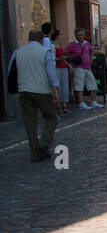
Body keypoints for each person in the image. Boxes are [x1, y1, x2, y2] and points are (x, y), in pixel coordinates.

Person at [14, 30, 59, 162]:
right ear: (40, 40)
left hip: (24, 90)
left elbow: (13, 70)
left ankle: (34, 152)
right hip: (41, 90)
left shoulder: (18, 52)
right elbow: (51, 73)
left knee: (30, 122)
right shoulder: (45, 52)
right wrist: (55, 89)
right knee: (51, 116)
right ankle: (44, 145)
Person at [65, 28, 101, 109]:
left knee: (92, 84)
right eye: (78, 35)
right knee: (79, 85)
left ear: (84, 35)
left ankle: (93, 101)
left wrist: (91, 58)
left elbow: (92, 50)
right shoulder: (72, 44)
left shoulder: (87, 43)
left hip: (87, 67)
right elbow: (65, 52)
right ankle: (81, 102)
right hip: (78, 67)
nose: (79, 37)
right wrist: (71, 57)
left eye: (81, 35)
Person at [52, 28, 71, 114]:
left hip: (63, 66)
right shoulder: (53, 45)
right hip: (57, 67)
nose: (62, 36)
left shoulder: (61, 44)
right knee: (58, 86)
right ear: (57, 36)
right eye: (61, 34)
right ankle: (58, 105)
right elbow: (52, 58)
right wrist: (60, 58)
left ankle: (64, 104)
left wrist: (68, 65)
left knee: (65, 86)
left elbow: (63, 56)